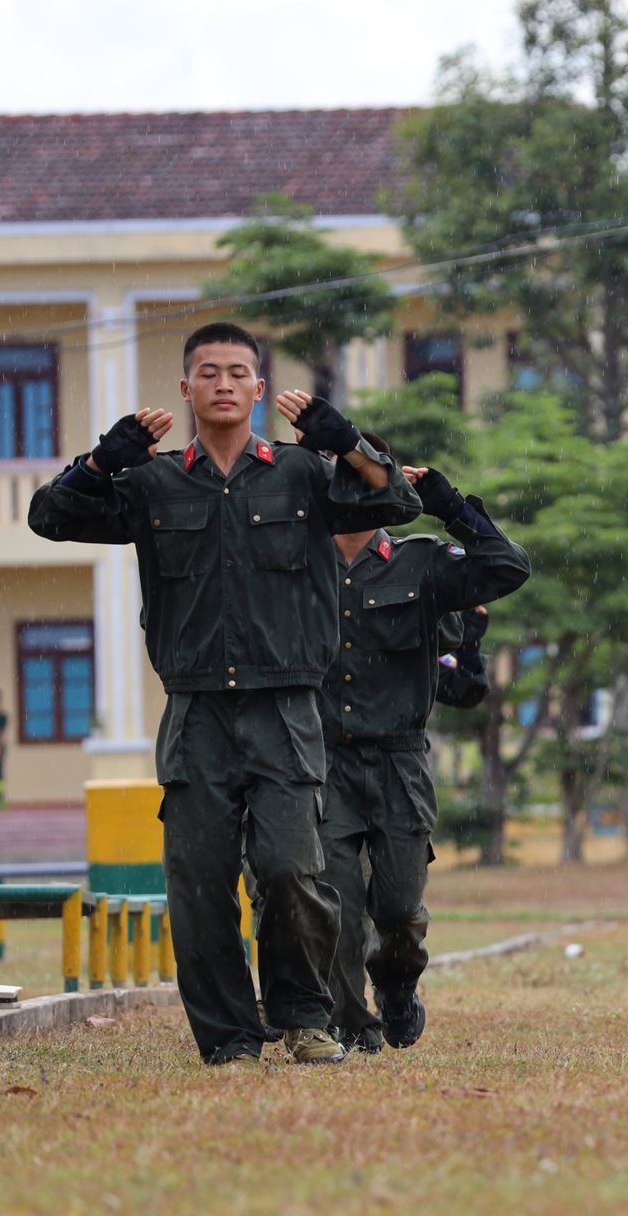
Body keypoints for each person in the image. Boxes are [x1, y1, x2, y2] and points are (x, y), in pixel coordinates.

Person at [27, 321, 421, 1067]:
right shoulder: (153, 482)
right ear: (186, 388)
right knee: (200, 883)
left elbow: (396, 502)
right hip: (197, 710)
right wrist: (101, 461)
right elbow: (49, 516)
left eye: (238, 372)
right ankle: (230, 1036)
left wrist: (346, 440)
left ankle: (304, 1018)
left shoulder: (302, 474)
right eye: (208, 373)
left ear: (260, 388)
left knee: (290, 871)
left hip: (286, 709)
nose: (224, 385)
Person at [318, 465, 529, 1054]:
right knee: (335, 901)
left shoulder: (421, 561)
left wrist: (454, 508)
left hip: (398, 763)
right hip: (326, 760)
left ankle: (397, 988)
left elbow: (508, 568)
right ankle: (351, 1024)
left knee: (401, 910)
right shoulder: (302, 563)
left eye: (370, 480)